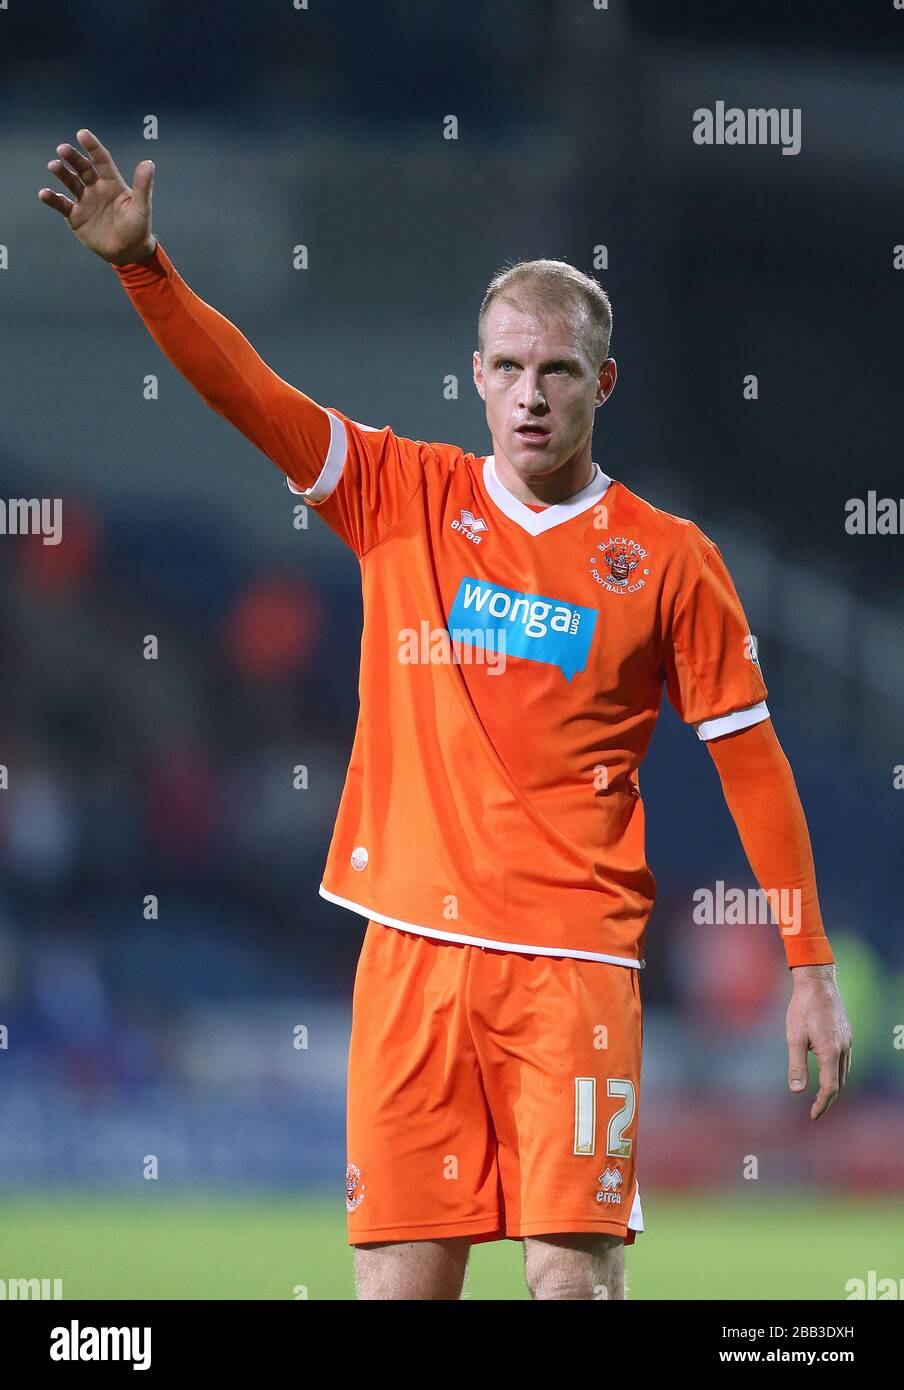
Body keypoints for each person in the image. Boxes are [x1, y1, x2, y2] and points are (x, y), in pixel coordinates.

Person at [39, 131, 853, 1301]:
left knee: (569, 1283)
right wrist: (143, 267)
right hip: (411, 954)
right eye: (509, 368)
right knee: (399, 1291)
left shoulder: (670, 562)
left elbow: (751, 763)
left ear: (601, 383)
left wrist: (809, 961)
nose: (530, 395)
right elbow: (247, 393)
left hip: (571, 964)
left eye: (558, 371)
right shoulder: (397, 493)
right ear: (474, 374)